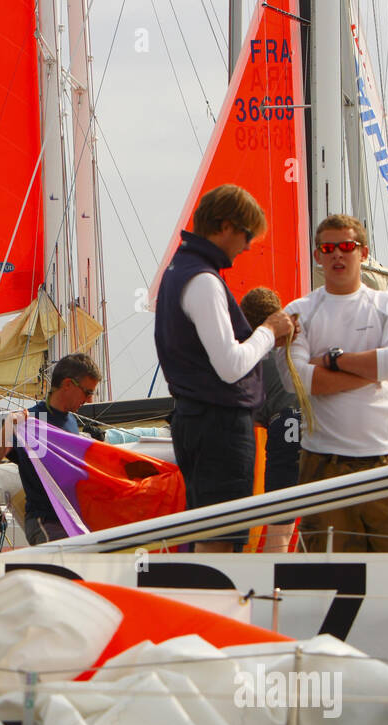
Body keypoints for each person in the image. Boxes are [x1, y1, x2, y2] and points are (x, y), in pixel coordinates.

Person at [153, 184, 296, 552]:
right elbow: (230, 366)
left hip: (195, 419)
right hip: (217, 425)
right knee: (220, 538)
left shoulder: (177, 273)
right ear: (227, 226)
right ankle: (215, 604)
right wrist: (269, 332)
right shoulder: (203, 281)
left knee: (208, 532)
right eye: (247, 235)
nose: (248, 246)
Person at [282, 214, 388, 553]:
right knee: (324, 575)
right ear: (317, 255)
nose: (337, 255)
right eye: (328, 248)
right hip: (322, 462)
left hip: (384, 458)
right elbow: (295, 379)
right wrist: (369, 372)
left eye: (347, 246)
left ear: (363, 252)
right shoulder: (300, 312)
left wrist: (332, 361)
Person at [0, 353, 101, 544]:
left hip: (71, 521)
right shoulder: (31, 421)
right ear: (67, 384)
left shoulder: (72, 422)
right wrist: (9, 425)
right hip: (46, 521)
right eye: (87, 392)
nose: (89, 400)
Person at [240, 287, 303, 552]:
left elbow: (247, 413)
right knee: (319, 518)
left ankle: (271, 583)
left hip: (283, 431)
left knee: (279, 527)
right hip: (316, 429)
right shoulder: (301, 343)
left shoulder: (252, 356)